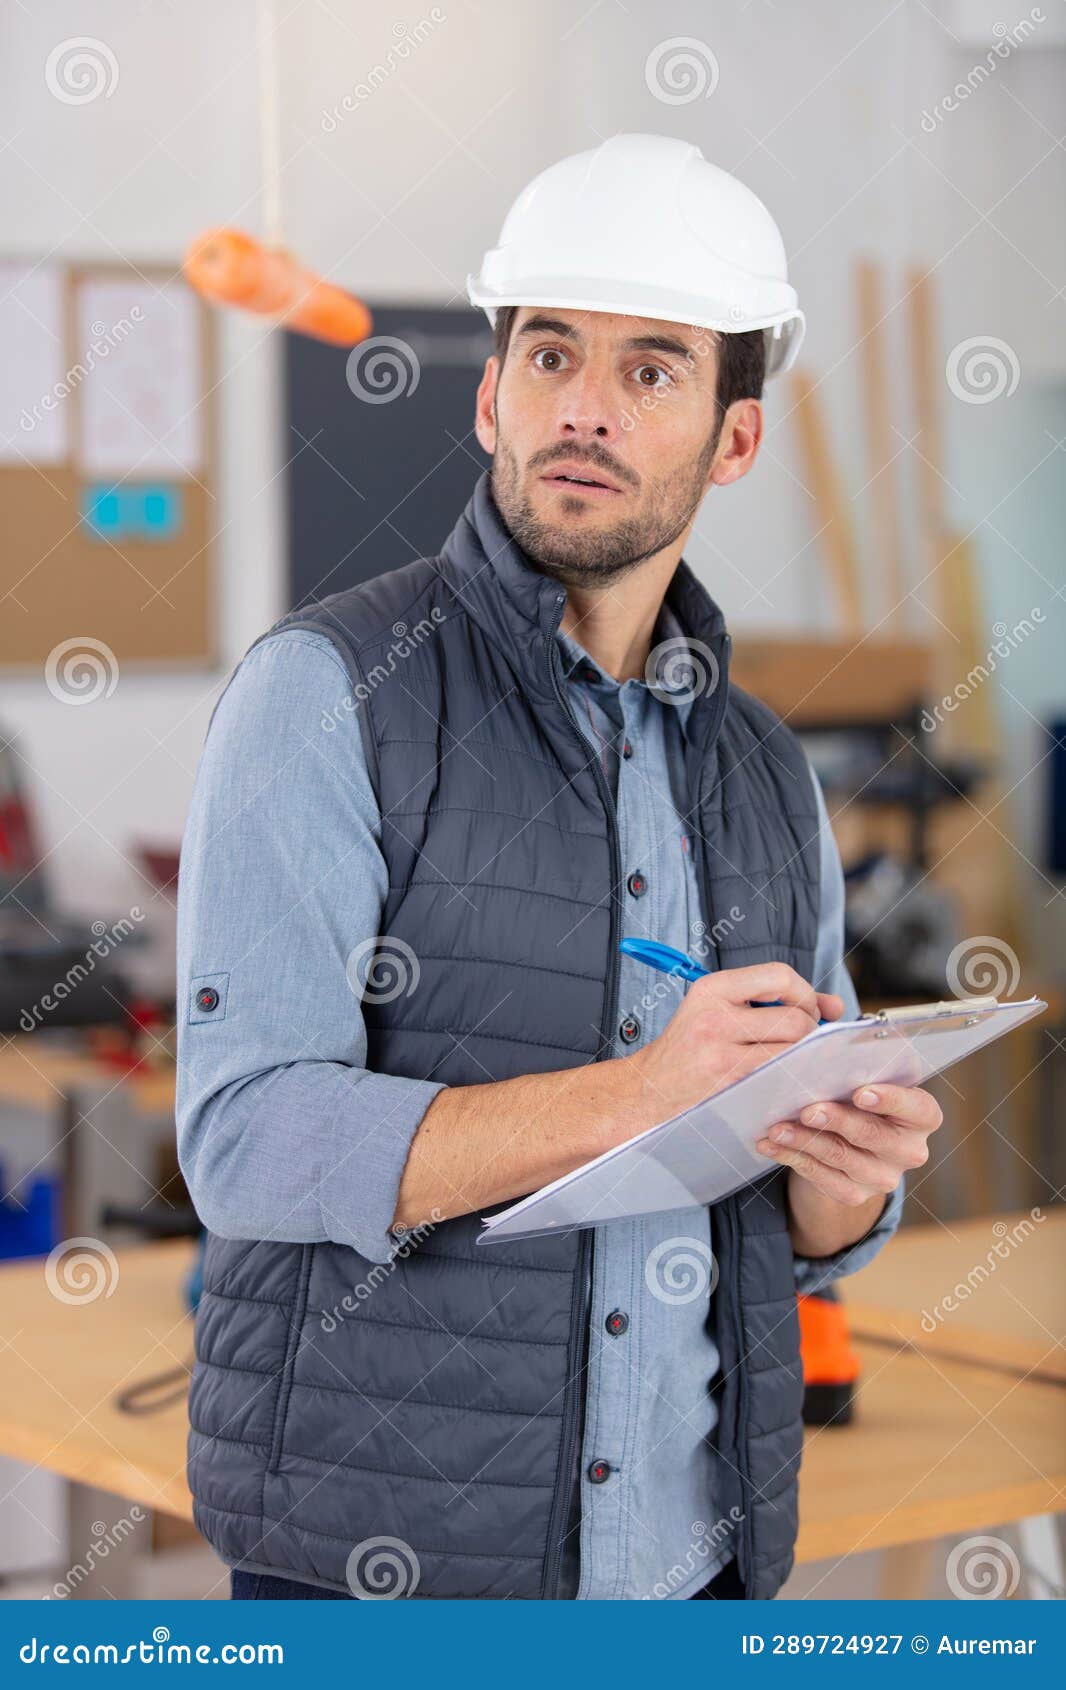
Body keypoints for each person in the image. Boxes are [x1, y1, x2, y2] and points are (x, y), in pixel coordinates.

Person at [175, 134, 942, 1602]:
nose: (582, 410)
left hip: (692, 1572)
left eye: (651, 369)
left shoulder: (767, 773)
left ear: (733, 440)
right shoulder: (329, 690)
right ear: (487, 394)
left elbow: (789, 1228)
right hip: (386, 1580)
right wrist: (645, 1089)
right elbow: (249, 1140)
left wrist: (846, 1185)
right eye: (548, 356)